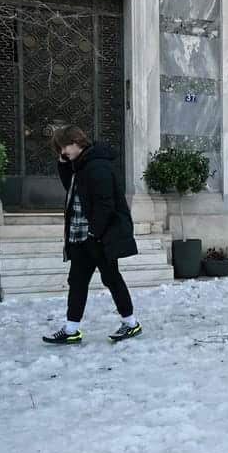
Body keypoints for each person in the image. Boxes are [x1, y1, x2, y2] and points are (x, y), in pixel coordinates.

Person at [41, 126, 141, 345]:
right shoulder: (81, 165)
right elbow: (72, 188)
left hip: (97, 236)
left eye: (64, 147)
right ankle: (71, 329)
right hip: (80, 236)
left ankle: (131, 324)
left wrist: (95, 233)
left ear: (76, 142)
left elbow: (105, 204)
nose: (63, 152)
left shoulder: (97, 166)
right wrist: (63, 164)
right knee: (77, 282)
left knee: (111, 279)